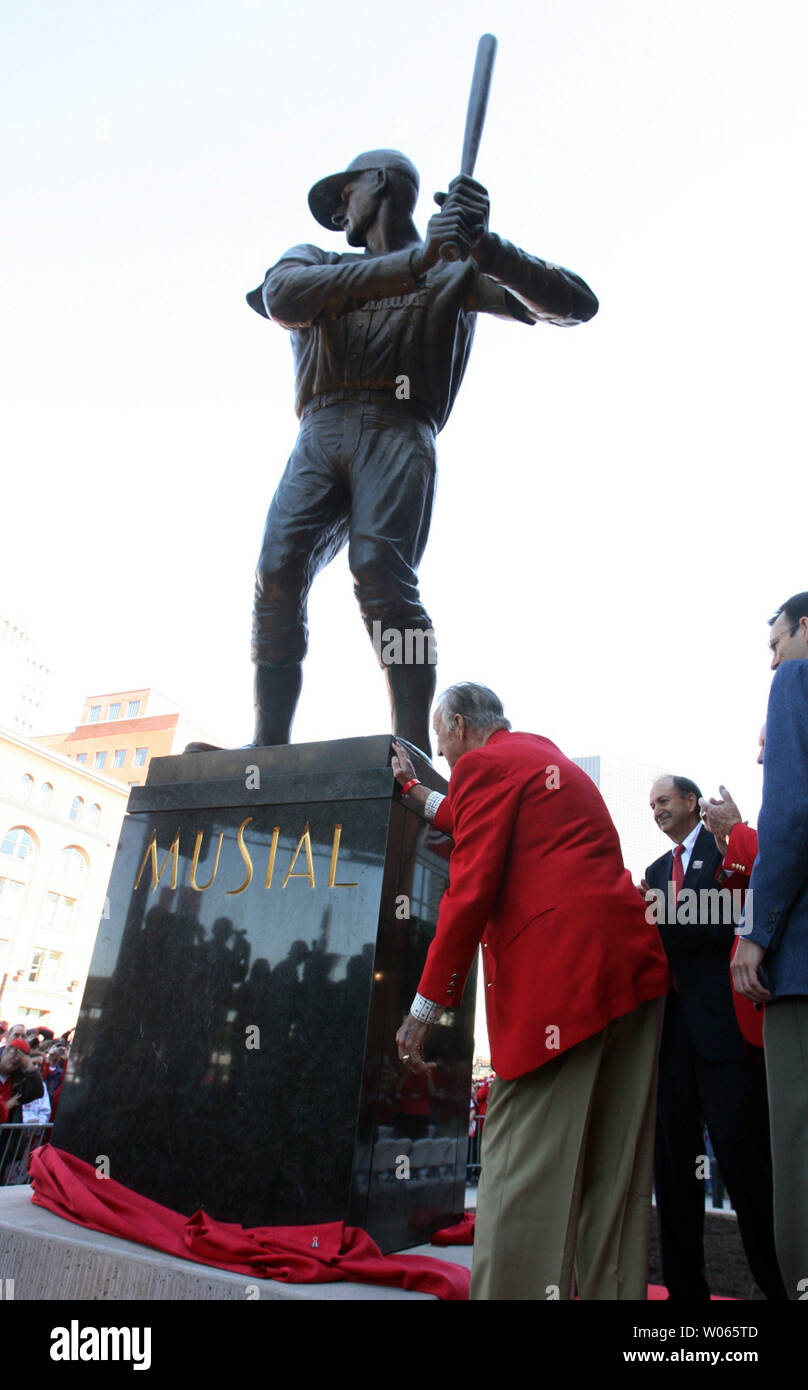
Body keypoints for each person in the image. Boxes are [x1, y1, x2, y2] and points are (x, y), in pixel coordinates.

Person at [246, 153, 598, 755]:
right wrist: (415, 263)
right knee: (276, 573)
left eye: (346, 192)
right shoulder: (317, 259)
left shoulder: (458, 268)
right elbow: (283, 296)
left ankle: (409, 745)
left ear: (379, 183)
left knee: (380, 572)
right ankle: (267, 744)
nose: (338, 210)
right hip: (321, 429)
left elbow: (575, 304)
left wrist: (488, 249)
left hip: (400, 428)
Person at [392, 682, 669, 1299]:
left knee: (520, 1171)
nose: (443, 759)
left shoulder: (486, 766)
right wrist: (415, 793)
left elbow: (468, 888)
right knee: (613, 1173)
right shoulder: (542, 760)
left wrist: (424, 1007)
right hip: (633, 972)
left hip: (564, 985)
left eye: (442, 743)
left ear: (460, 726)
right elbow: (468, 814)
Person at [644, 775, 784, 1300]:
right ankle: (686, 1296)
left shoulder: (725, 849)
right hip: (672, 1042)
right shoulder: (656, 871)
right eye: (650, 804)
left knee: (748, 1169)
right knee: (674, 1173)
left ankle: (781, 1285)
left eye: (663, 800)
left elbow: (728, 919)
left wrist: (657, 918)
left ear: (691, 802)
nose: (656, 810)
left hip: (727, 1036)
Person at [732, 592, 808, 1298]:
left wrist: (757, 931)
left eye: (776, 641)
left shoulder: (796, 682)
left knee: (799, 1153)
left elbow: (788, 816)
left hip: (803, 969)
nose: (774, 657)